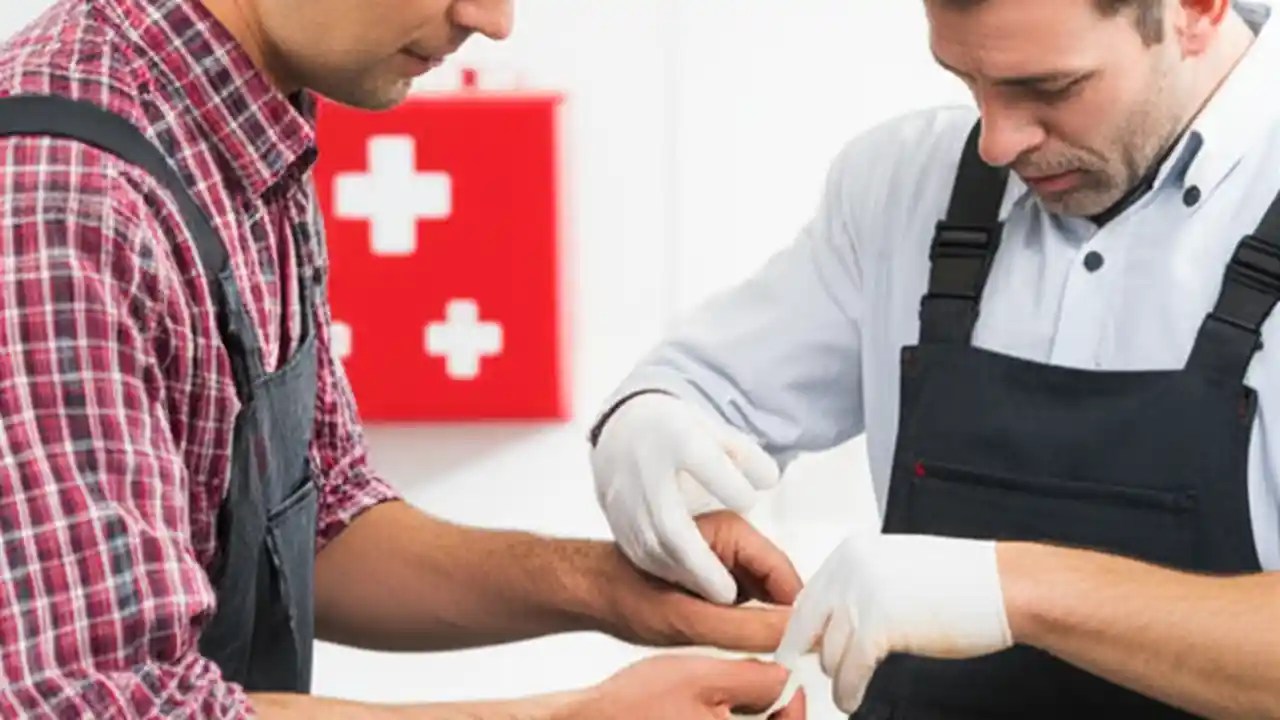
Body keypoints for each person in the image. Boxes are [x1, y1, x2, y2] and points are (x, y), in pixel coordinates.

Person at [0, 0, 809, 718]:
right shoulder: (64, 191)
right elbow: (97, 701)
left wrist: (609, 588)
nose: (493, 20)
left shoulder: (238, 128)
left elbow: (318, 523)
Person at [589, 0, 1280, 717]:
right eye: (968, 80)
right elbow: (704, 392)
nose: (999, 142)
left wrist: (1014, 591)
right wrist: (648, 423)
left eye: (1050, 88)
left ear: (1197, 10)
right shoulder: (904, 187)